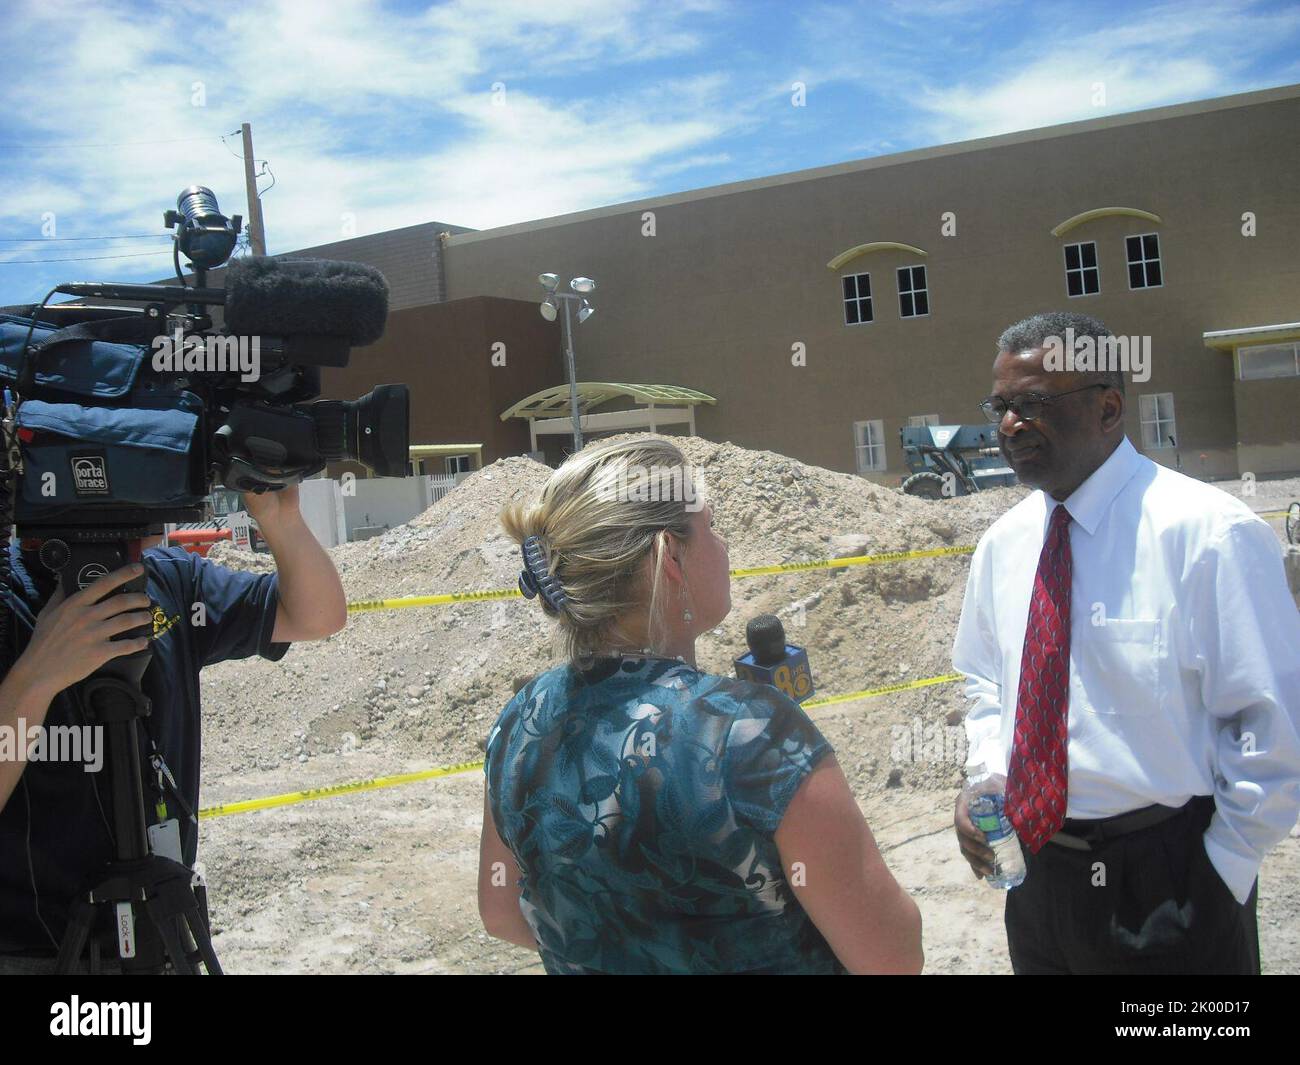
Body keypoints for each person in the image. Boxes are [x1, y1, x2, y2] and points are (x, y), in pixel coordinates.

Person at [477, 436, 922, 975]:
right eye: (710, 527)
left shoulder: (521, 719)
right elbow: (892, 957)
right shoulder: (751, 736)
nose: (724, 545)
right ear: (670, 559)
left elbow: (501, 914)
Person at [951, 310, 1300, 975]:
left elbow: (1271, 723)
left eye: (1031, 403)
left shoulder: (1208, 535)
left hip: (1169, 885)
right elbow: (987, 684)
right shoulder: (1004, 546)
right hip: (1038, 879)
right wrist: (987, 777)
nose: (1007, 426)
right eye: (1001, 405)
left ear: (1109, 408)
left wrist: (1221, 869)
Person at [0, 484, 347, 972]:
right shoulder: (9, 594)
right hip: (35, 952)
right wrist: (35, 677)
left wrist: (280, 518)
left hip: (157, 933)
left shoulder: (172, 583)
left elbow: (317, 616)